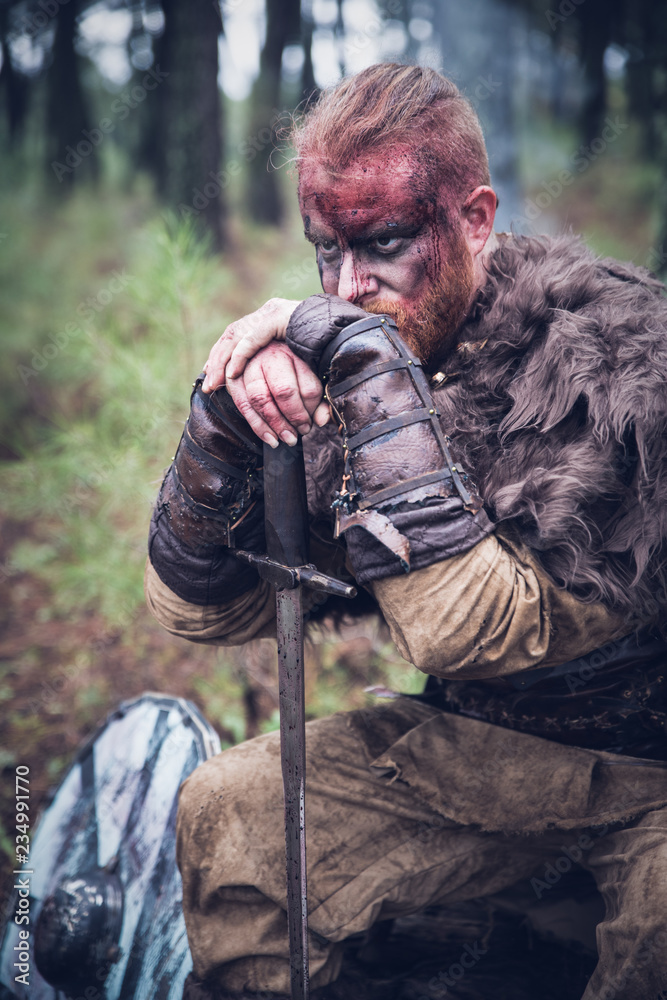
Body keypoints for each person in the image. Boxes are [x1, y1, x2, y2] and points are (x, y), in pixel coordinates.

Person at [145, 64, 667, 1000]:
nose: (348, 286)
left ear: (473, 218)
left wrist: (360, 362)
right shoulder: (360, 349)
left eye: (384, 243)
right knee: (233, 811)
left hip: (648, 780)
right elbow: (200, 615)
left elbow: (467, 629)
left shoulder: (622, 366)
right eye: (326, 251)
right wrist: (224, 421)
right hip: (469, 755)